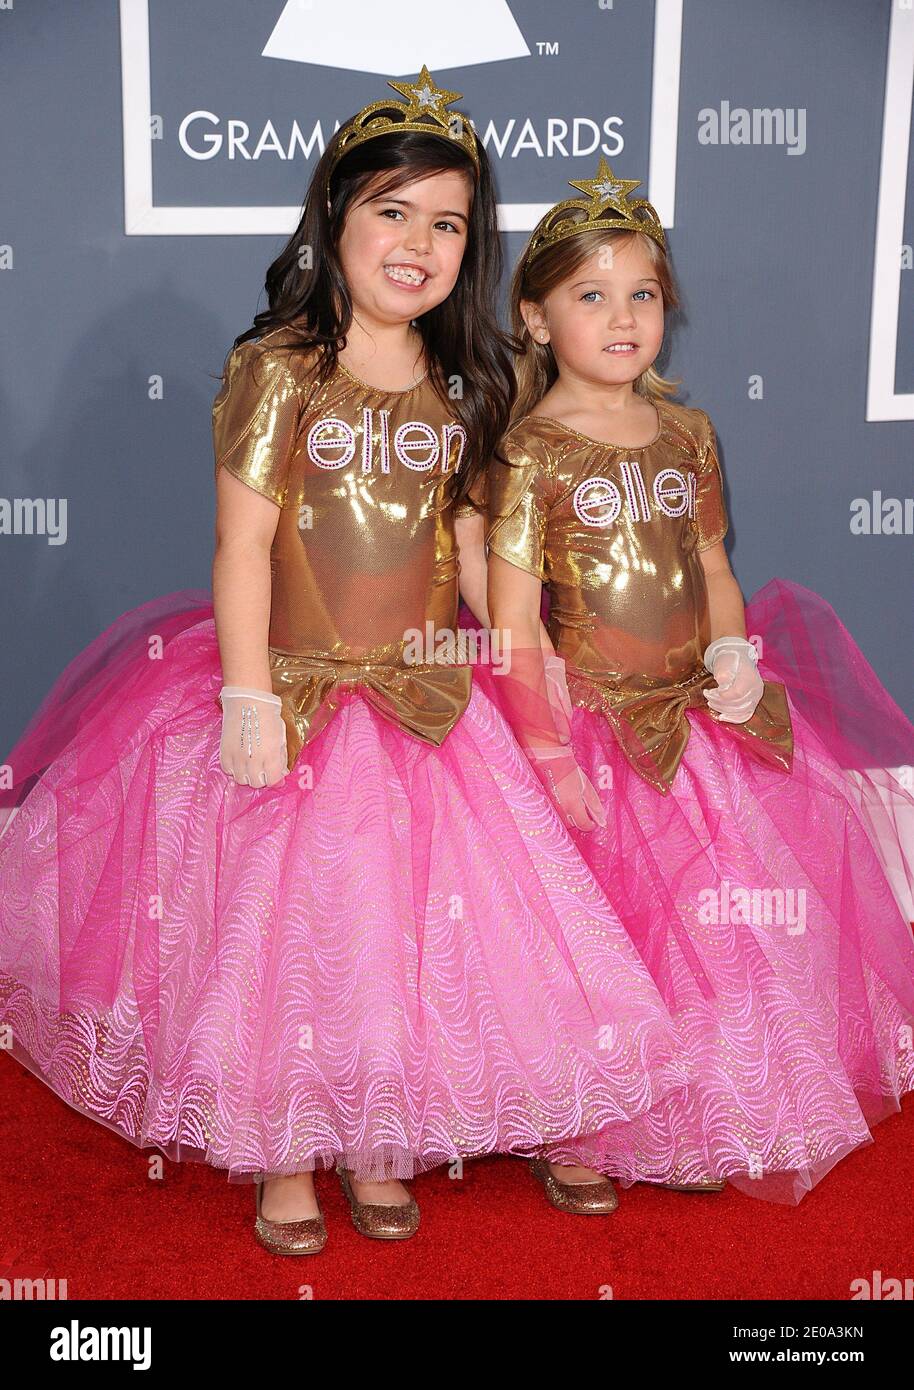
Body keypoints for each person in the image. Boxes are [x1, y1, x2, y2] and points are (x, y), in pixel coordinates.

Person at [0, 79, 692, 1257]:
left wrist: (526, 672)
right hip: (298, 694)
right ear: (332, 218)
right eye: (391, 211)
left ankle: (378, 1132)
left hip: (427, 701)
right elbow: (242, 546)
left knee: (405, 934)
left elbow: (473, 552)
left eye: (447, 222)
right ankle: (283, 1146)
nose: (416, 244)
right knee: (290, 931)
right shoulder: (278, 369)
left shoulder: (470, 384)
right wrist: (244, 693)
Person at [482, 157, 914, 1203]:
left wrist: (731, 653)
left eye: (642, 294)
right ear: (537, 319)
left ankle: (693, 1103)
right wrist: (545, 748)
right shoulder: (528, 451)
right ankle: (577, 1119)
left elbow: (713, 567)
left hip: (692, 720)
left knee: (713, 929)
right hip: (588, 722)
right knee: (604, 934)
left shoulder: (687, 434)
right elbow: (508, 620)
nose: (622, 317)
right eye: (590, 295)